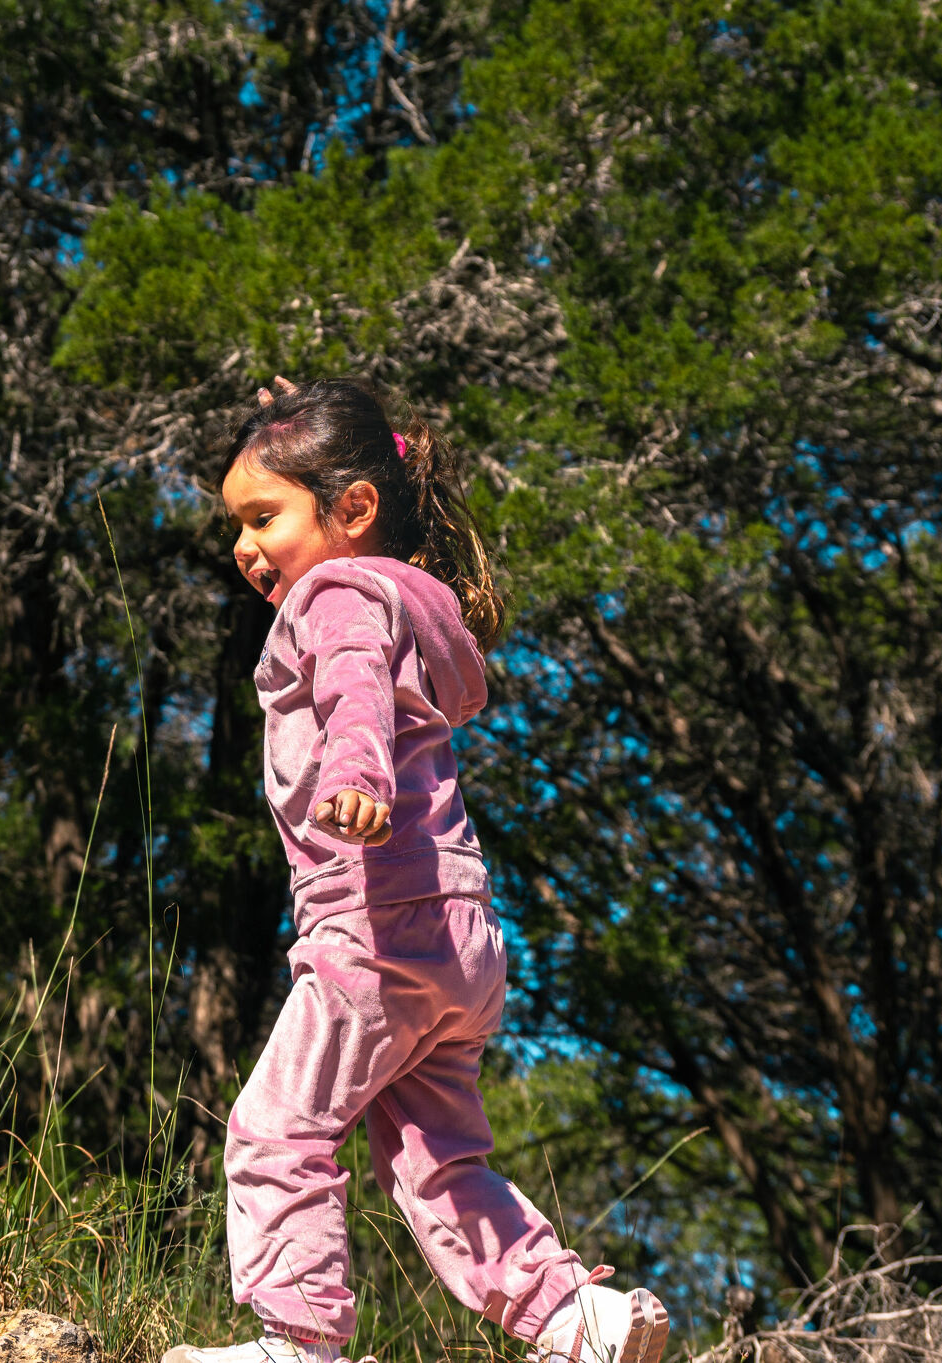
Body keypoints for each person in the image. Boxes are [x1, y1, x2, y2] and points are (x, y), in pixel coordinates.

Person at [164, 378, 669, 1363]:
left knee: (276, 1132)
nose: (244, 545)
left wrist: (355, 772)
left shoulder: (335, 594)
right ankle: (579, 1321)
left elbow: (352, 684)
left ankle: (294, 1341)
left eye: (264, 516)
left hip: (373, 929)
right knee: (438, 1162)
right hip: (459, 944)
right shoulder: (406, 598)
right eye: (237, 523)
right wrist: (295, 416)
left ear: (351, 509)